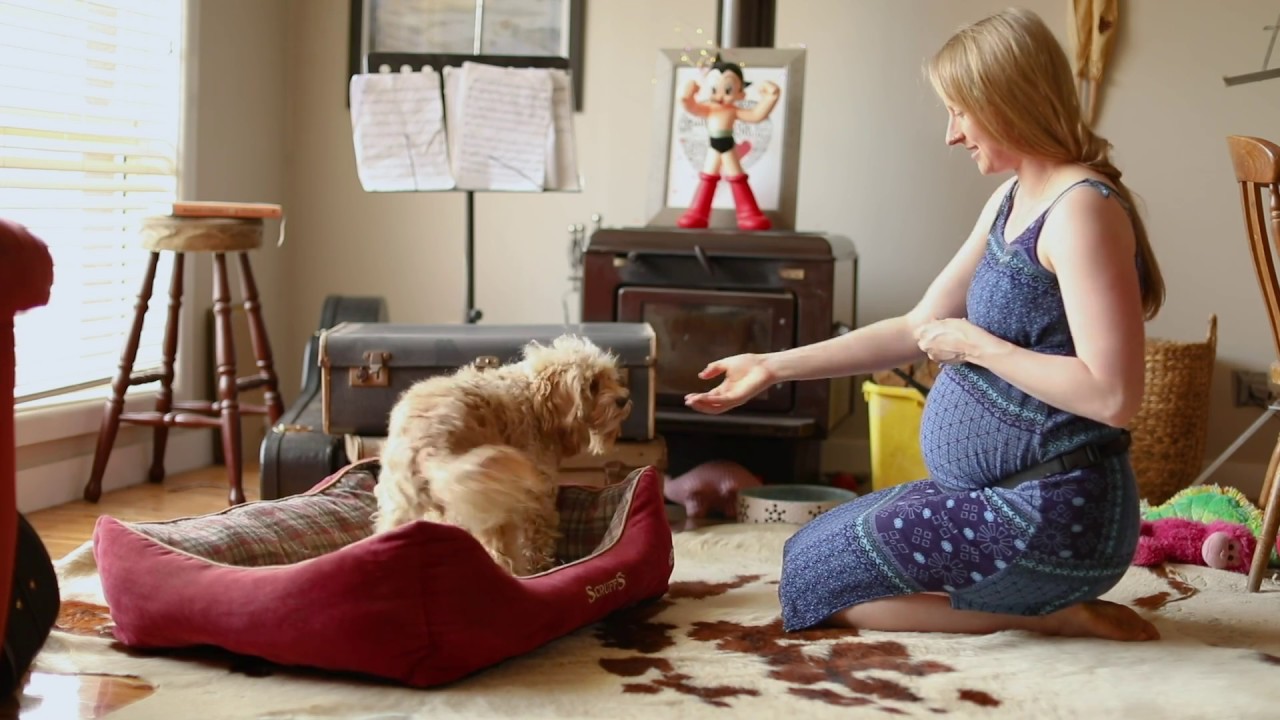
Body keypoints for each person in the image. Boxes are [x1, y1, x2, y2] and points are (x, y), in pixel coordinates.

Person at [683, 7, 1165, 642]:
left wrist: (977, 346)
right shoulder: (1012, 199)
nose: (951, 134)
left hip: (1054, 512)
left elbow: (1113, 395)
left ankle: (1057, 612)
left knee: (818, 586)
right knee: (806, 558)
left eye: (960, 112)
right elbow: (917, 325)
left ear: (1007, 102)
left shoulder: (1081, 212)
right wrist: (772, 367)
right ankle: (1034, 606)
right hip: (995, 497)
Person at [676, 60, 780, 231]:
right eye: (714, 89)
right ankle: (697, 213)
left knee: (737, 177)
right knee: (708, 177)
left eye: (728, 90)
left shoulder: (733, 111)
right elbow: (691, 107)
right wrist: (685, 96)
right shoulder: (709, 109)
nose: (720, 96)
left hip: (728, 146)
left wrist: (771, 97)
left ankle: (749, 214)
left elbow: (756, 115)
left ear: (741, 94)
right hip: (713, 147)